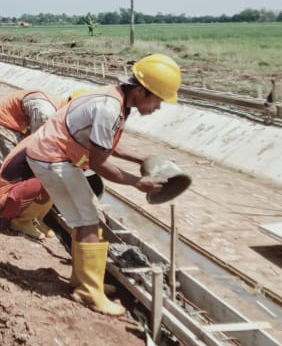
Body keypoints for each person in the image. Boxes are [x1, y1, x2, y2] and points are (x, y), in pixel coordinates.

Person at [24, 53, 182, 316]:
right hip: (52, 158)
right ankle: (88, 291)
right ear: (142, 91)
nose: (157, 107)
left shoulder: (118, 101)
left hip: (55, 154)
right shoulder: (109, 108)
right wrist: (136, 182)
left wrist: (140, 157)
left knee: (83, 219)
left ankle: (83, 282)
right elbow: (99, 162)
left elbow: (104, 144)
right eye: (158, 100)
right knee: (87, 220)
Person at [0, 136, 55, 240]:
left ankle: (37, 220)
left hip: (14, 192)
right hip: (4, 202)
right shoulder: (43, 145)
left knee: (54, 179)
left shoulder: (44, 137)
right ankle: (21, 221)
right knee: (48, 179)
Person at [0, 89, 57, 159]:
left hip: (21, 122)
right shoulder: (45, 112)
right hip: (4, 121)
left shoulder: (57, 110)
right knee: (13, 160)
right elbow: (36, 142)